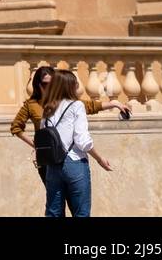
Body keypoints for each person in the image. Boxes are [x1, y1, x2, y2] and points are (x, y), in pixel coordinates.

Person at [11, 63, 128, 186]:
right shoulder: (31, 105)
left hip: (68, 158)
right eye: (45, 84)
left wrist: (114, 103)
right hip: (48, 159)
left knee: (72, 201)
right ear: (38, 85)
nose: (49, 87)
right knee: (55, 202)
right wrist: (36, 145)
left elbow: (90, 106)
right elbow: (16, 127)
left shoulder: (63, 101)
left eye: (52, 84)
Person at [41, 68, 112, 217]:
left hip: (52, 166)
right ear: (69, 86)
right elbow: (82, 141)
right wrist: (100, 159)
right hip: (74, 163)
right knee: (81, 213)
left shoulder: (47, 109)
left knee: (53, 213)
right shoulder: (76, 106)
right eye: (75, 84)